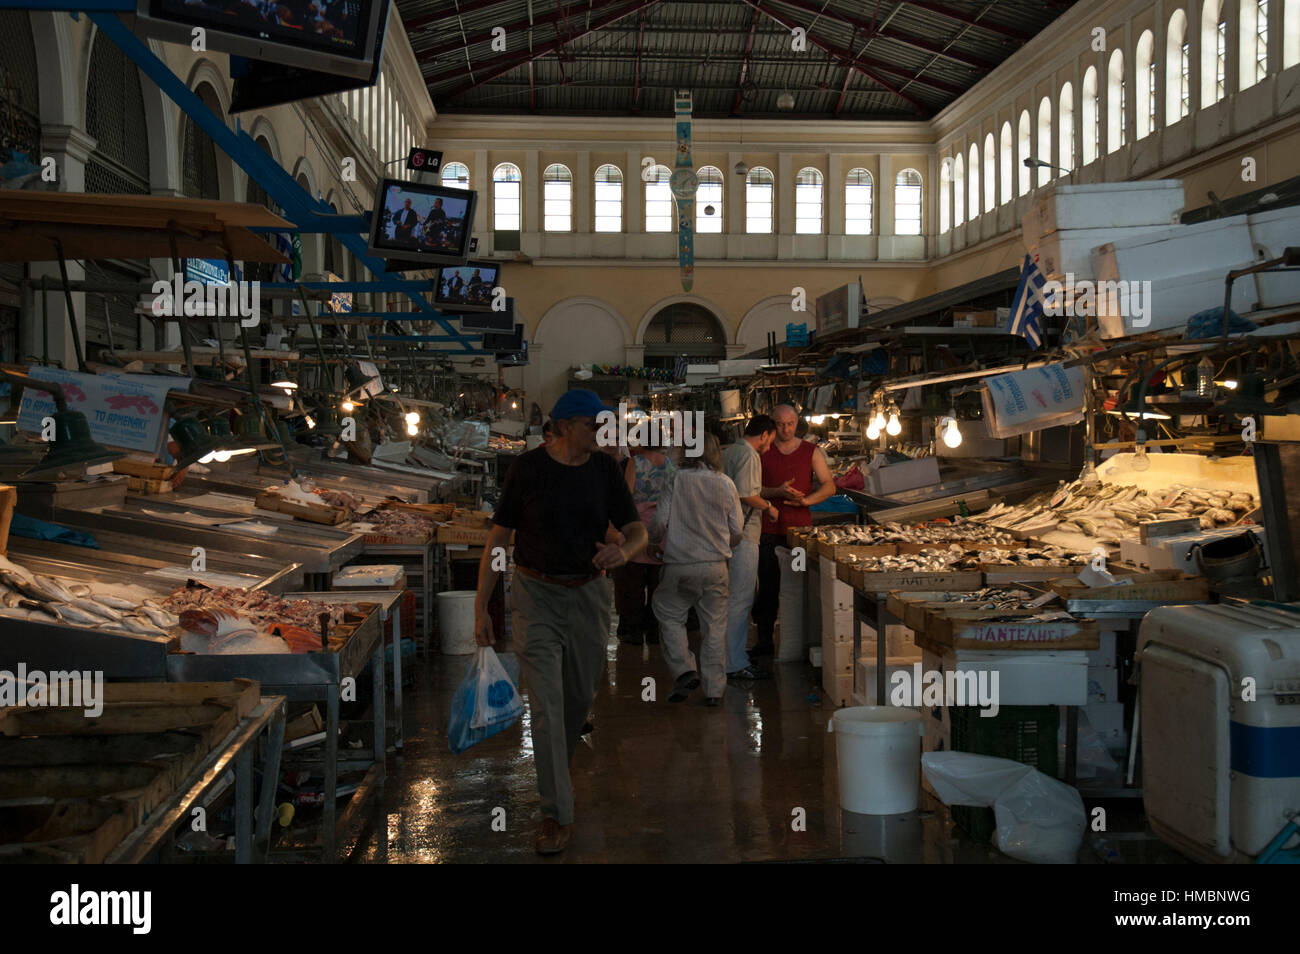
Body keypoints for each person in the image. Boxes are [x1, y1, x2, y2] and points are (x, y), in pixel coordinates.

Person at [474, 389, 646, 855]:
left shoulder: (605, 470)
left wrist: (623, 551)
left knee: (575, 704)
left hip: (589, 596)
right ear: (566, 425)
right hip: (536, 595)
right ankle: (555, 813)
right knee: (547, 707)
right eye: (595, 425)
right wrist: (481, 608)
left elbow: (637, 530)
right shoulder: (527, 469)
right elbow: (499, 539)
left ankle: (557, 780)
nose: (602, 434)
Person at [649, 433, 743, 706]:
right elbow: (737, 531)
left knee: (669, 615)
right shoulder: (726, 483)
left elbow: (659, 521)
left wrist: (653, 542)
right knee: (714, 627)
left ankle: (684, 669)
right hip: (715, 567)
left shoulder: (675, 479)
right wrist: (723, 544)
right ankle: (714, 691)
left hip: (679, 565)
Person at [752, 404, 835, 659]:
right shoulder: (762, 451)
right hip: (768, 530)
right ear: (772, 424)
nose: (786, 429)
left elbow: (829, 486)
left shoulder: (811, 451)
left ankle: (800, 643)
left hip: (800, 533)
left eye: (790, 424)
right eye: (780, 424)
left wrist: (806, 501)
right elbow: (750, 490)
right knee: (768, 587)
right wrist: (777, 492)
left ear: (797, 423)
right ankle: (764, 642)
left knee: (799, 586)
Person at [719, 414, 778, 680]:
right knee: (741, 600)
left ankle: (727, 658)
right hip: (742, 537)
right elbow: (746, 494)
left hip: (728, 535)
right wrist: (770, 507)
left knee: (732, 599)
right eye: (770, 440)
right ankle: (735, 663)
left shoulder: (731, 451)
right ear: (764, 434)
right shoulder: (750, 455)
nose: (769, 447)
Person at [616, 434, 675, 646]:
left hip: (637, 529)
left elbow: (626, 494)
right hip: (662, 531)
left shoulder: (636, 462)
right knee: (657, 584)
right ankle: (654, 631)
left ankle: (632, 631)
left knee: (632, 584)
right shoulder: (670, 464)